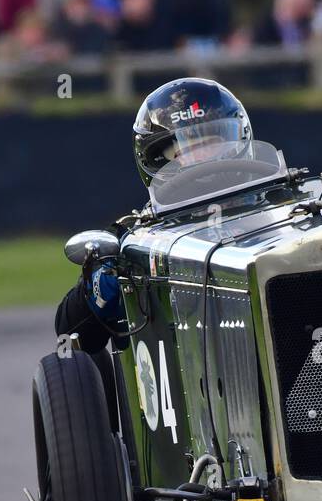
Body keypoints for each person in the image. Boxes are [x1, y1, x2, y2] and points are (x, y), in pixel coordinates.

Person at [54, 78, 254, 376]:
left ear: (239, 138)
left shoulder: (285, 210)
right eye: (185, 149)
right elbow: (72, 335)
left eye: (213, 143)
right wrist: (97, 285)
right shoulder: (140, 236)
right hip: (186, 375)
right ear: (159, 158)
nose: (202, 158)